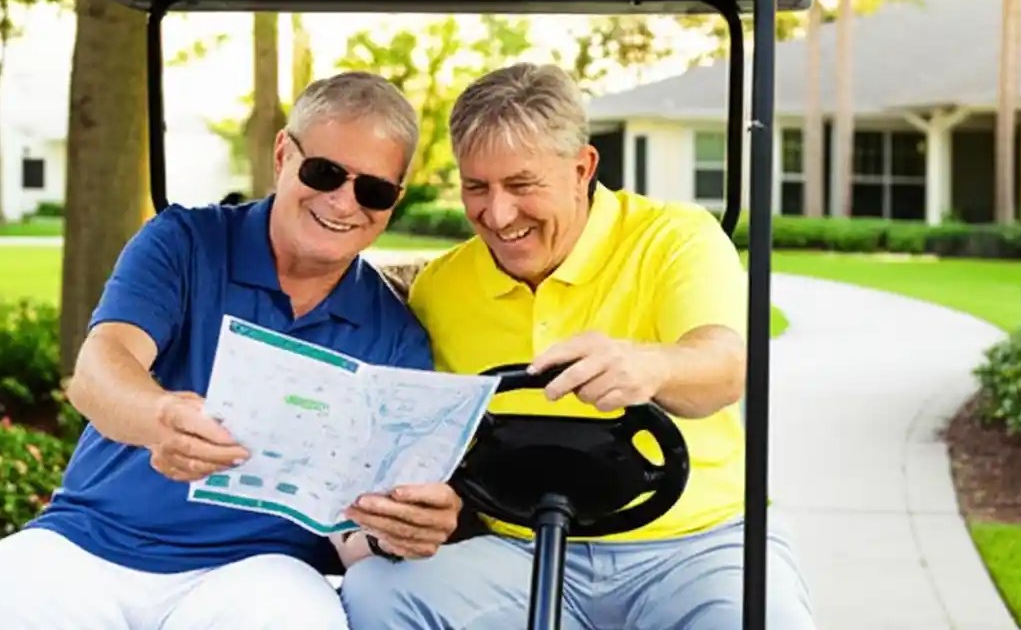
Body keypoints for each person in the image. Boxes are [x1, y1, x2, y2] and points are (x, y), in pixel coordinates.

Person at [0, 71, 462, 629]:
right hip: (92, 544)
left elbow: (353, 533)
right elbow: (98, 369)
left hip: (262, 574)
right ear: (283, 153)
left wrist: (398, 530)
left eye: (373, 190)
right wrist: (162, 417)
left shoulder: (394, 334)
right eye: (323, 173)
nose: (344, 202)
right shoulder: (184, 242)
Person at [339, 63, 817, 628]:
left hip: (694, 545)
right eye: (476, 187)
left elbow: (725, 365)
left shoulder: (674, 240)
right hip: (523, 549)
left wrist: (653, 364)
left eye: (521, 185)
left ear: (581, 169)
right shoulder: (442, 287)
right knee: (378, 591)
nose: (496, 214)